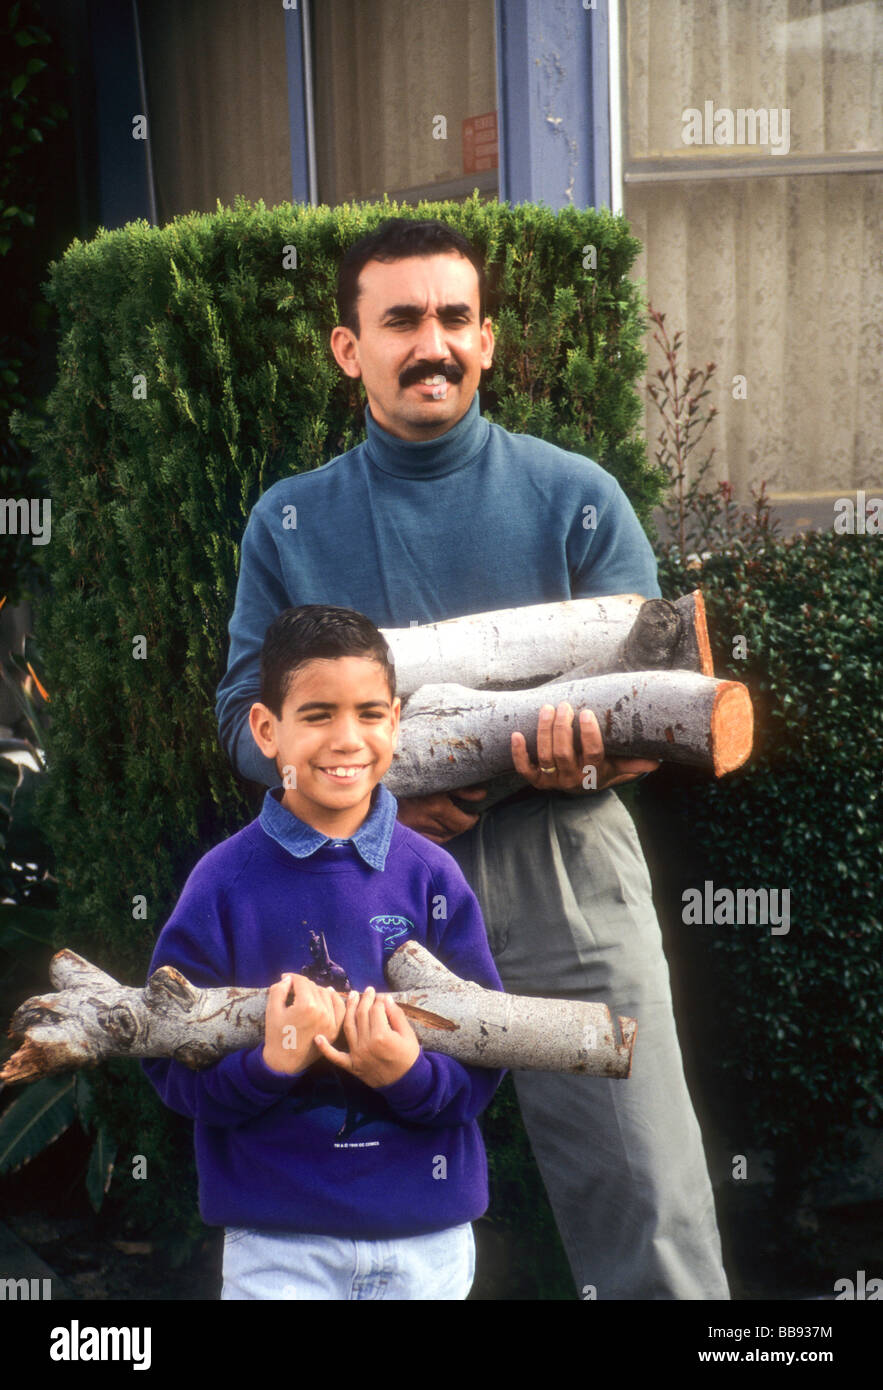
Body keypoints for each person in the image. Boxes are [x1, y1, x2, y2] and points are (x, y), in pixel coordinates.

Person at [215, 218, 730, 1300]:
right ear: (347, 349)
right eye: (399, 319)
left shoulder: (572, 494)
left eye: (454, 317)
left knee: (647, 1191)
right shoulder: (288, 522)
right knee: (365, 1184)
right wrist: (368, 793)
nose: (431, 342)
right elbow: (240, 720)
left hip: (566, 873)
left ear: (487, 340)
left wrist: (574, 760)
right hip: (365, 889)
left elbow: (653, 701)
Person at [144, 604, 505, 1300]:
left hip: (427, 1240)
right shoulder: (222, 883)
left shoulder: (433, 877)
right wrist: (269, 1065)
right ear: (265, 729)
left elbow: (486, 1057)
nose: (347, 739)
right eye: (317, 715)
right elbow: (169, 1061)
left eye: (370, 714)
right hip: (279, 1246)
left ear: (395, 723)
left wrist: (407, 1075)